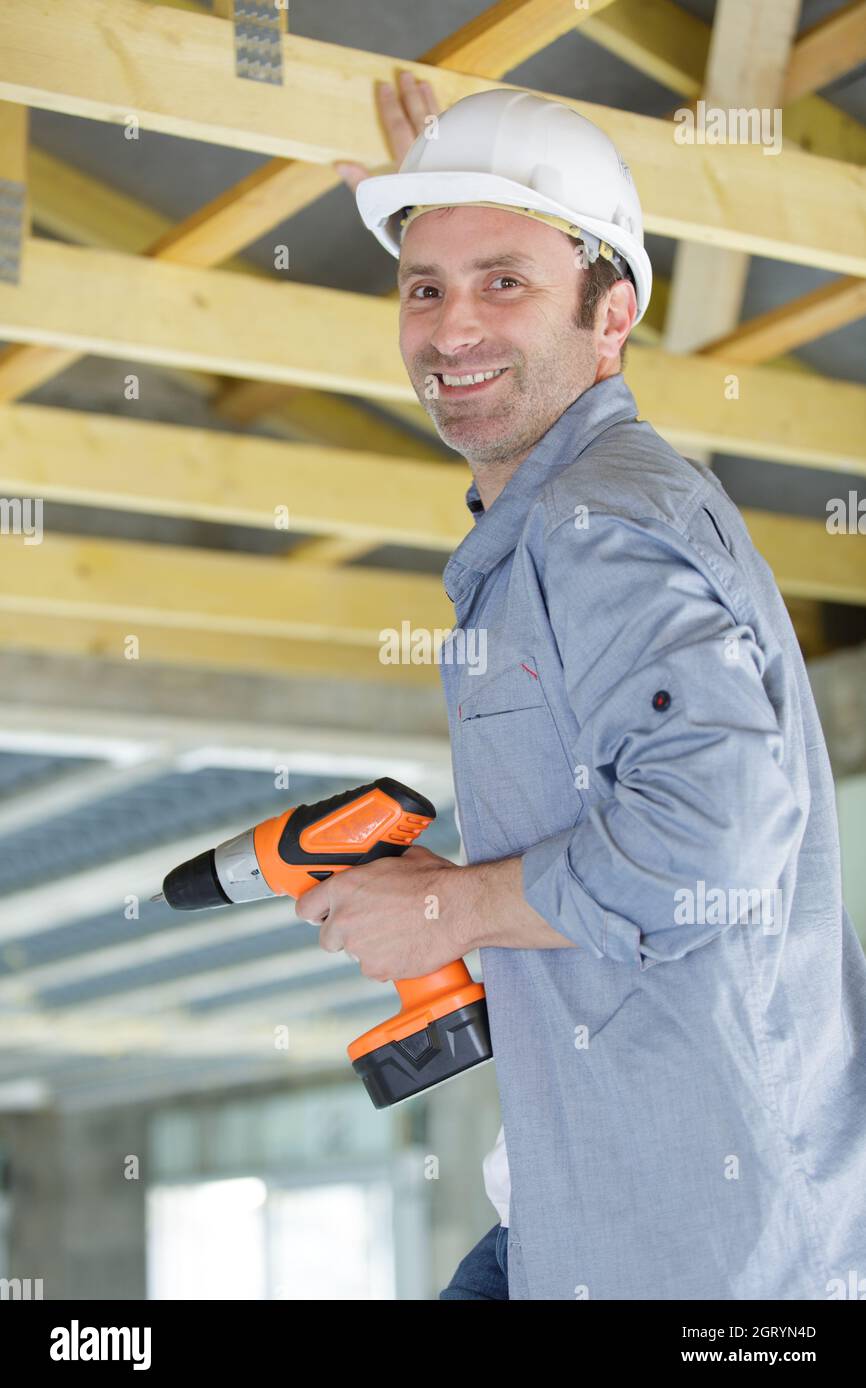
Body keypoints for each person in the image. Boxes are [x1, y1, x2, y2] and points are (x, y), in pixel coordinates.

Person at [297, 76, 866, 1301]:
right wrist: (459, 201)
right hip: (584, 1223)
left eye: (507, 282)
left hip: (710, 1269)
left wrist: (445, 914)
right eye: (423, 287)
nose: (450, 330)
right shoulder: (551, 520)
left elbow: (710, 835)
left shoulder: (597, 521)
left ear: (611, 318)